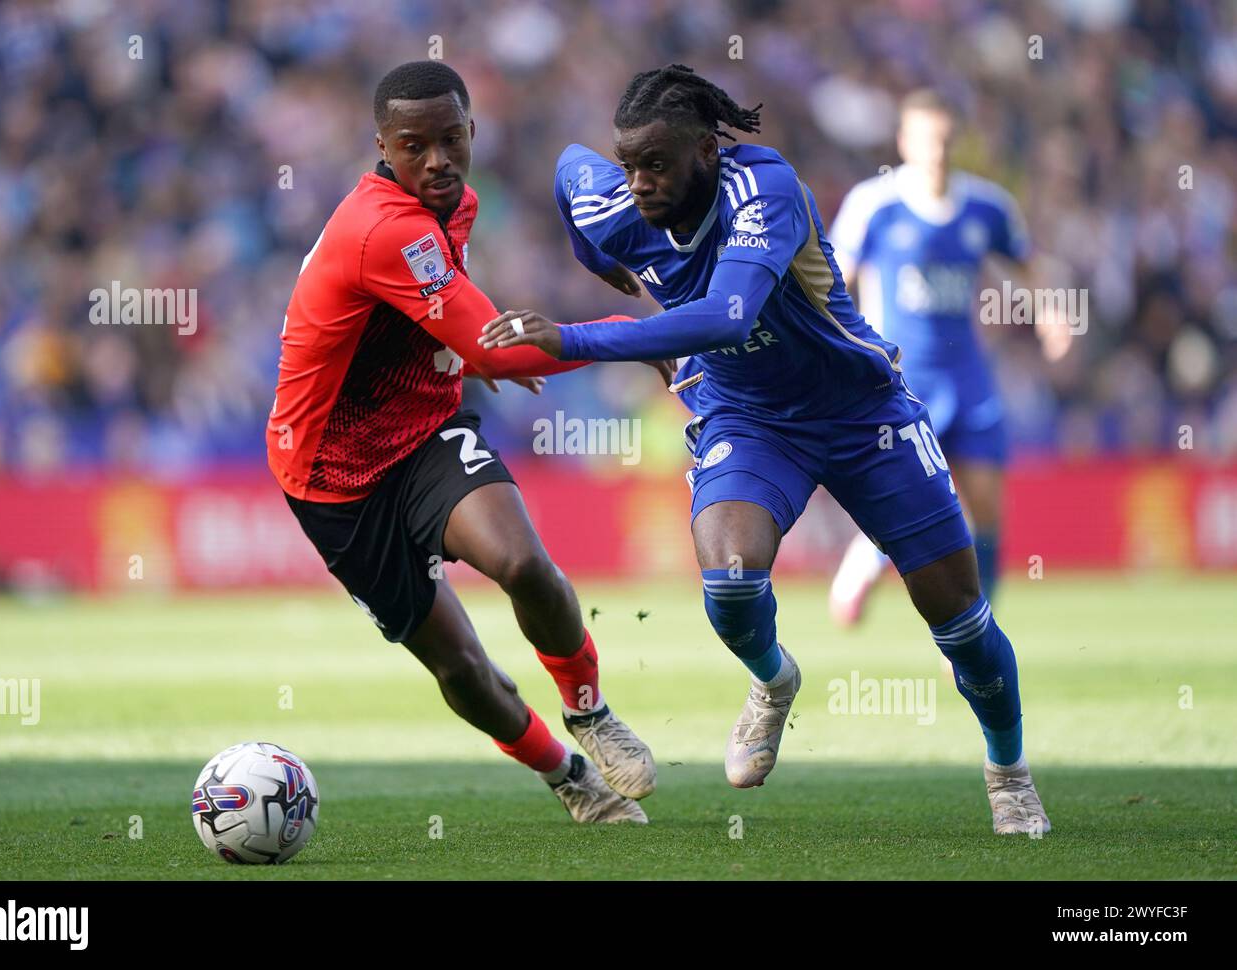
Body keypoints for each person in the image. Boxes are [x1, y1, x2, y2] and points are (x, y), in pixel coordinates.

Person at [480, 65, 1050, 835]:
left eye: (657, 165)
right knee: (731, 580)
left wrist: (576, 335)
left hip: (860, 411)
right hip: (747, 415)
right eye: (631, 165)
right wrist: (601, 265)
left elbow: (726, 312)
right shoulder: (613, 199)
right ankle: (773, 681)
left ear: (708, 155)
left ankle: (1008, 772)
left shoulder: (765, 190)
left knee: (958, 617)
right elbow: (566, 175)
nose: (640, 183)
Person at [268, 61, 667, 824]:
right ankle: (568, 775)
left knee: (523, 564)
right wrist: (640, 337)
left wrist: (482, 350)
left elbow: (474, 336)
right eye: (415, 146)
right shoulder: (385, 229)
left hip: (424, 433)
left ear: (472, 132)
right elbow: (498, 351)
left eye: (452, 140)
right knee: (462, 667)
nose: (438, 161)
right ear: (382, 146)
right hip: (334, 478)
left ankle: (589, 709)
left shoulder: (457, 203)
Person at [827, 89, 1068, 625]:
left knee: (984, 503)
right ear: (904, 142)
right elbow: (834, 279)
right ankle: (864, 561)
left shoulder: (987, 206)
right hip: (900, 377)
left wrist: (1049, 315)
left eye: (944, 139)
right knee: (909, 499)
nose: (936, 150)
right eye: (926, 139)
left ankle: (976, 625)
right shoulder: (876, 205)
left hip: (967, 375)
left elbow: (1024, 265)